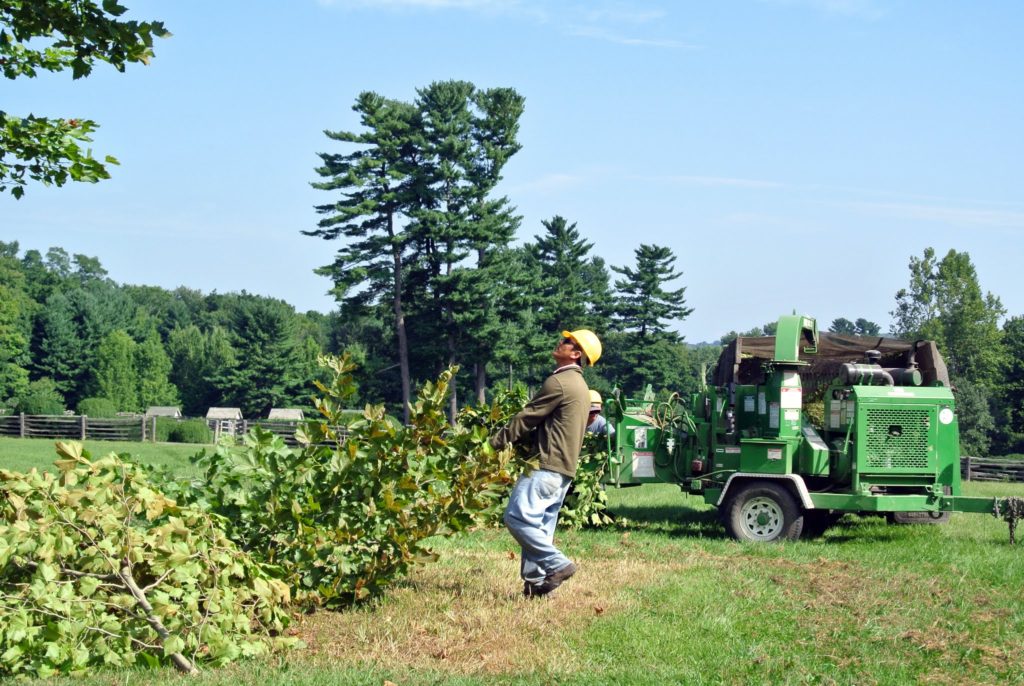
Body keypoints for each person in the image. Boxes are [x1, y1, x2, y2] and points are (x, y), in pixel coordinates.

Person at [490, 328, 602, 598]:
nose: (560, 342)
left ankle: (557, 564)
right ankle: (537, 585)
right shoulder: (581, 387)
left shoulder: (560, 382)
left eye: (567, 341)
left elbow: (527, 417)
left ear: (576, 353)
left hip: (546, 465)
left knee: (516, 517)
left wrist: (494, 443)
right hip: (563, 470)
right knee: (538, 527)